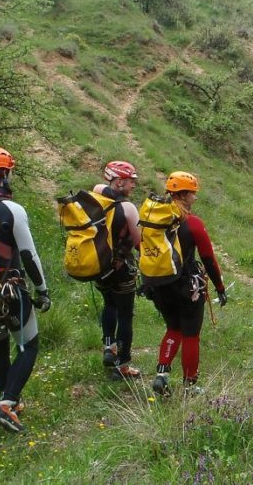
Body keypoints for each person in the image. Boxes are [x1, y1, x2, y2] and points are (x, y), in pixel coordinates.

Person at [0, 146, 51, 434]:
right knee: (29, 346)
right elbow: (29, 255)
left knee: (0, 345)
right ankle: (6, 403)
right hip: (11, 291)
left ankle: (7, 402)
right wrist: (42, 290)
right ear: (4, 173)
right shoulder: (11, 209)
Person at [147, 171, 228, 396]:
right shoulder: (193, 223)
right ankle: (190, 385)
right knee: (191, 334)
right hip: (187, 287)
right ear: (182, 194)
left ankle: (162, 373)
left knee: (173, 328)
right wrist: (220, 288)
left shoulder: (153, 220)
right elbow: (209, 259)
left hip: (160, 284)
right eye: (193, 193)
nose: (195, 197)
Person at [93, 161, 143, 380]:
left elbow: (98, 187)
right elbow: (140, 242)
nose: (133, 185)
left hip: (98, 266)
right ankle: (122, 365)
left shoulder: (94, 198)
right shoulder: (128, 208)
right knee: (125, 315)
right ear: (119, 181)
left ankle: (109, 346)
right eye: (131, 180)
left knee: (108, 304)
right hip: (121, 269)